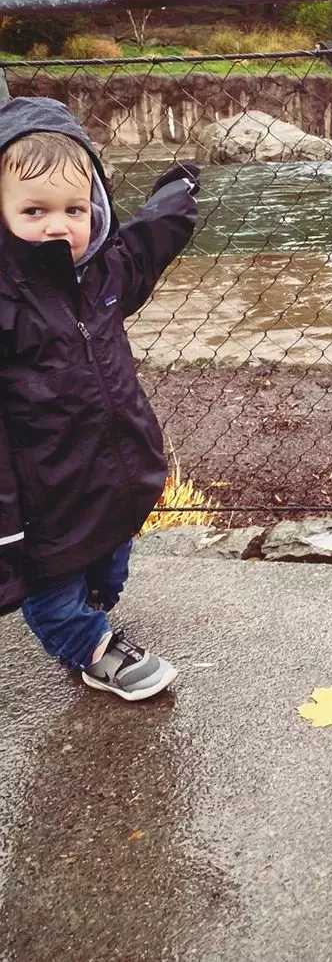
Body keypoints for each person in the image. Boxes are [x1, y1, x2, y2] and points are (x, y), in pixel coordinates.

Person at [0, 96, 200, 700]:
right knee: (54, 585)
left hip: (113, 468)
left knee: (110, 555)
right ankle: (86, 646)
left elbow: (141, 251)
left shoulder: (99, 274)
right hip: (44, 490)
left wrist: (175, 202)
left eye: (74, 209)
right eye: (34, 210)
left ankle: (93, 605)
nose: (58, 225)